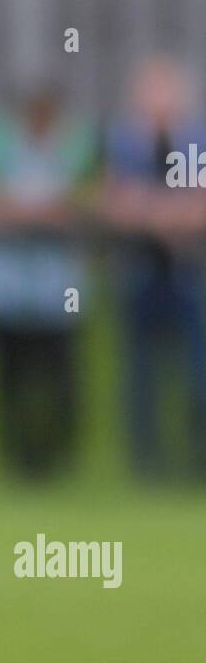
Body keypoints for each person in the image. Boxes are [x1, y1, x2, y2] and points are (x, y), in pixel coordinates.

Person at [0, 86, 98, 477]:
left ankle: (57, 456)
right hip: (3, 288)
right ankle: (17, 458)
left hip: (58, 290)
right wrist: (45, 213)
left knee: (60, 376)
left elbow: (83, 204)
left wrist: (20, 211)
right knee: (10, 376)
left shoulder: (77, 142)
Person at [102, 56, 206, 478]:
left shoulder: (195, 141)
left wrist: (149, 209)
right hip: (139, 272)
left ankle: (196, 456)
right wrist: (168, 212)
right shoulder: (124, 142)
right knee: (140, 370)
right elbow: (114, 204)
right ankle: (147, 462)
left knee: (197, 369)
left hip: (188, 271)